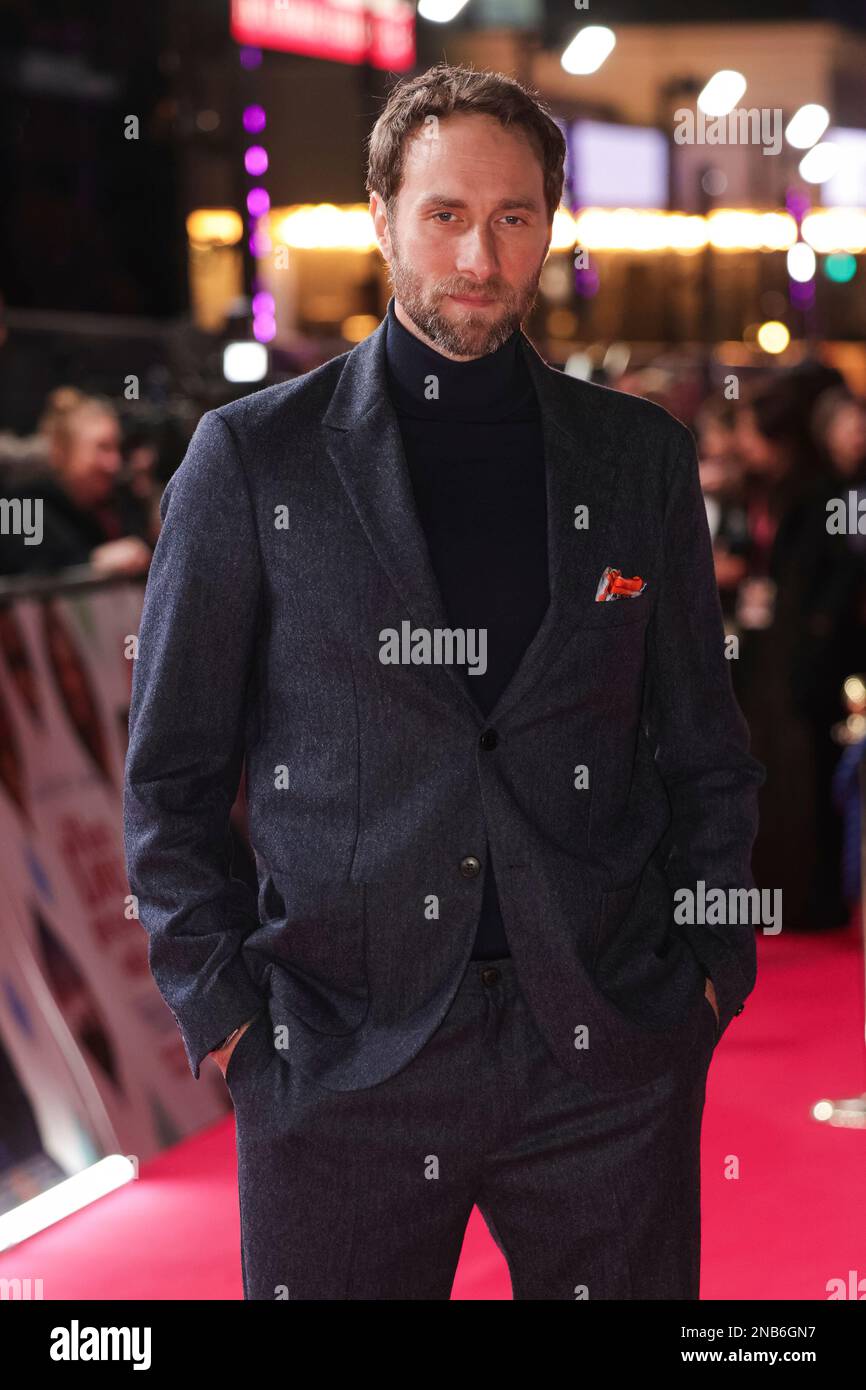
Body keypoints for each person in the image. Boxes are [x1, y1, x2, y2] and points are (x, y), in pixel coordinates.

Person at [123, 63, 764, 1301]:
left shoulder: (636, 460)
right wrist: (231, 1018)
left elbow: (702, 748)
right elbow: (173, 772)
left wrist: (700, 973)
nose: (479, 252)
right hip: (335, 1052)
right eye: (445, 214)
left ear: (547, 230)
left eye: (513, 217)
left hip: (602, 1052)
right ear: (382, 216)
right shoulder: (254, 460)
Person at [0, 390, 152, 578]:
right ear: (62, 451)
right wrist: (94, 563)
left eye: (116, 448)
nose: (115, 463)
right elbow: (25, 579)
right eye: (102, 448)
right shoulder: (21, 507)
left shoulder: (120, 502)